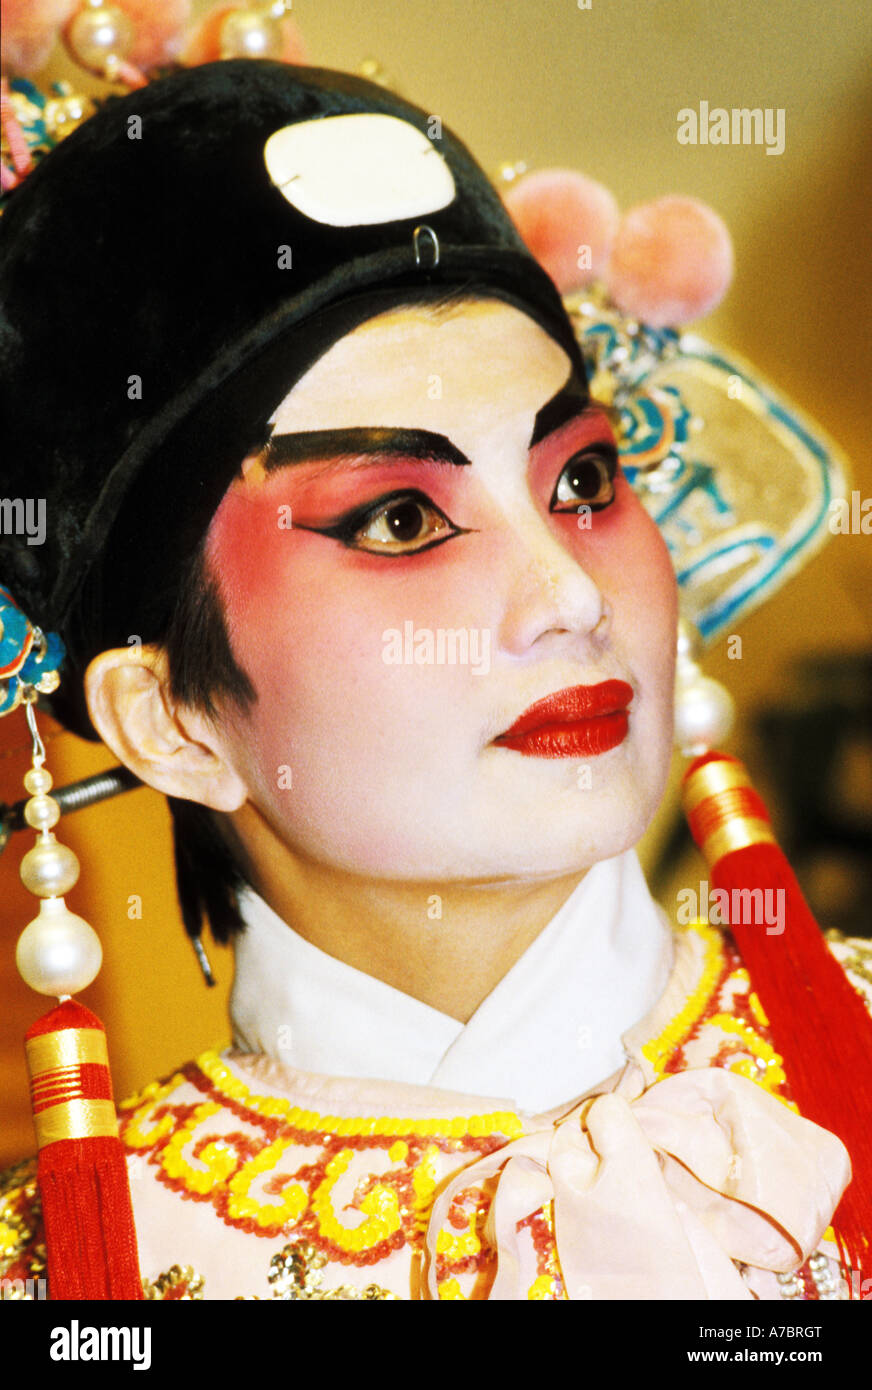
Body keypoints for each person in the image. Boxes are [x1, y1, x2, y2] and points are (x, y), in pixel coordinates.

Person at [0, 58, 868, 1303]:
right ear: (176, 718)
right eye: (402, 519)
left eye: (580, 482)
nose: (571, 597)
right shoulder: (81, 1281)